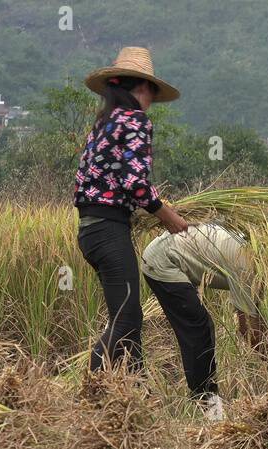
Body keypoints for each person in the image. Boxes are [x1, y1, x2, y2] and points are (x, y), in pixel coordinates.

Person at [74, 46, 189, 377]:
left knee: (127, 319)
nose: (152, 99)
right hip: (109, 232)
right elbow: (135, 183)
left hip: (90, 231)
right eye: (151, 92)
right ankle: (93, 389)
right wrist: (166, 215)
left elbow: (99, 180)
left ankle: (135, 397)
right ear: (143, 88)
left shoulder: (103, 123)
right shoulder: (137, 120)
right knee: (126, 320)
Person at [140, 222, 268, 415]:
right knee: (199, 328)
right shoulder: (247, 265)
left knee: (199, 327)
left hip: (178, 248)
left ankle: (206, 400)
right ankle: (208, 405)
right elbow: (247, 328)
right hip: (162, 261)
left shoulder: (256, 250)